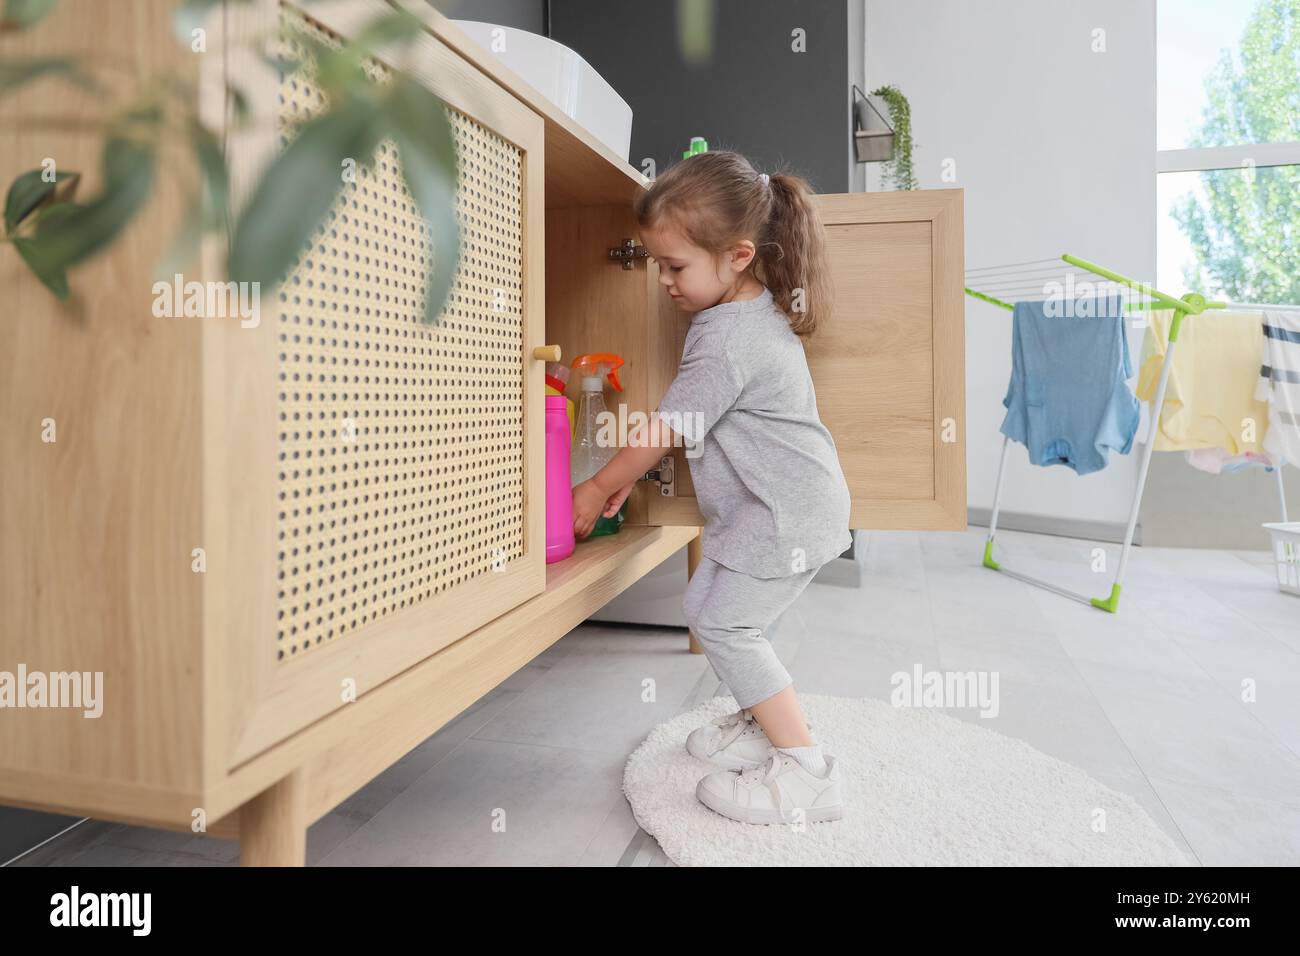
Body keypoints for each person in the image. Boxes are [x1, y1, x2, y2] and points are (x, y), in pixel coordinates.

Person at [571, 150, 852, 826]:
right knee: (709, 606)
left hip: (786, 516)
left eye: (674, 266)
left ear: (737, 255)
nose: (662, 281)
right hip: (776, 510)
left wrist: (601, 484)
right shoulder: (744, 315)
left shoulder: (726, 340)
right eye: (657, 264)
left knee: (727, 623)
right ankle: (760, 718)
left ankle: (807, 773)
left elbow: (670, 424)